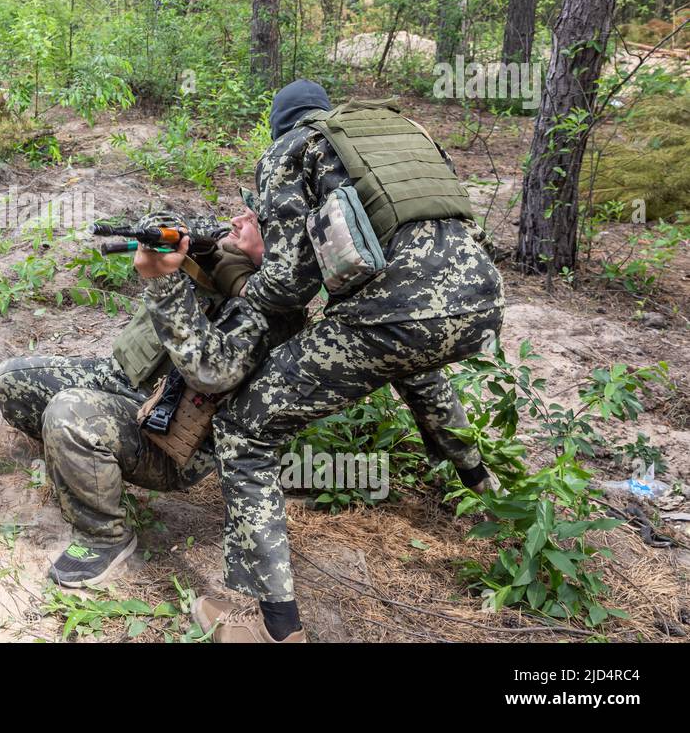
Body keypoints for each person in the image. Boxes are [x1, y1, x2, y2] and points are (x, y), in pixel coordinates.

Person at [191, 80, 505, 643]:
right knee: (414, 364)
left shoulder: (289, 149)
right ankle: (487, 495)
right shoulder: (400, 134)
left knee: (244, 429)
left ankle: (273, 626)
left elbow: (290, 282)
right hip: (482, 302)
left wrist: (240, 288)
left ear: (278, 122)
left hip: (392, 313)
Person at [0, 211, 302, 588]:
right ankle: (88, 468)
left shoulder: (272, 312)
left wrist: (163, 281)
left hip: (170, 435)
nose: (240, 218)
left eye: (257, 220)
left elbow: (208, 372)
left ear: (281, 247)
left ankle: (103, 536)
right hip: (128, 382)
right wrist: (179, 236)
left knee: (69, 413)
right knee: (11, 381)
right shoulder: (227, 250)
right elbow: (182, 223)